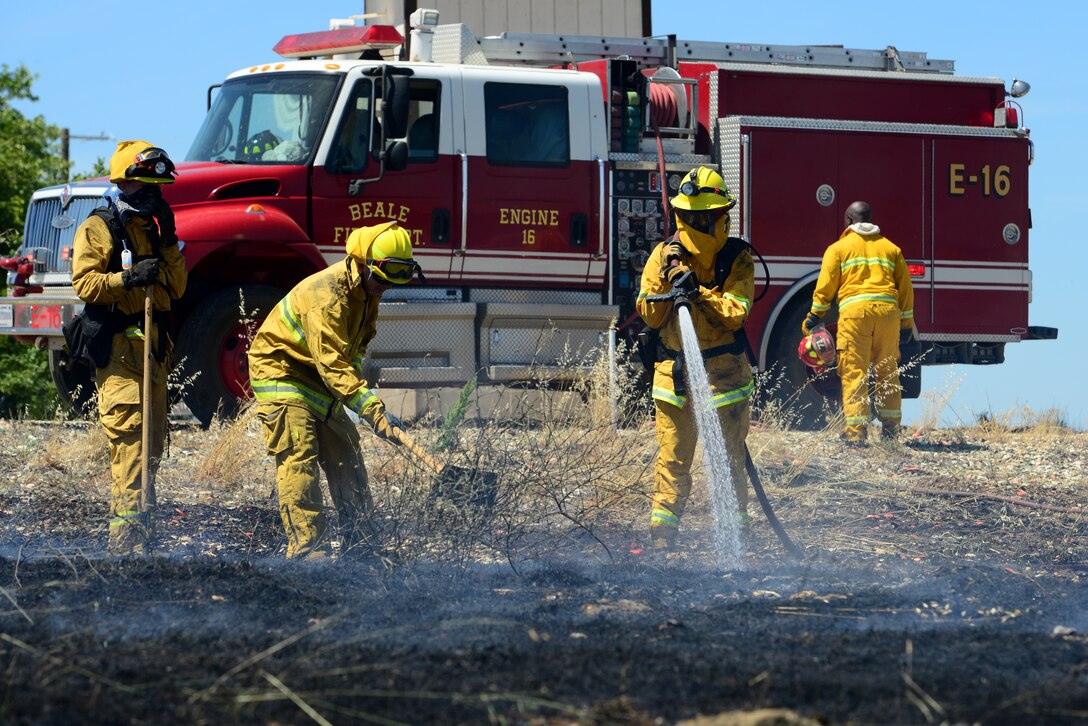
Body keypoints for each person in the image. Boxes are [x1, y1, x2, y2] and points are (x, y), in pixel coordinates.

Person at [247, 221, 423, 559]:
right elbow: (332, 364)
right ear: (363, 264)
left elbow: (351, 355)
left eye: (394, 281)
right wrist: (373, 410)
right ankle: (308, 553)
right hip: (283, 371)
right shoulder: (327, 297)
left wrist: (356, 401)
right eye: (383, 279)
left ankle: (362, 549)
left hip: (320, 376)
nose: (386, 288)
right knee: (300, 455)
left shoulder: (367, 293)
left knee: (347, 453)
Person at [71, 140, 186, 555]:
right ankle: (124, 551)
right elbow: (84, 284)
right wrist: (129, 278)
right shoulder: (99, 227)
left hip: (153, 355)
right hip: (119, 356)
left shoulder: (152, 231)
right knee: (131, 452)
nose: (153, 194)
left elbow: (177, 287)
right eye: (144, 186)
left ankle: (145, 544)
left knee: (151, 452)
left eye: (158, 188)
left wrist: (169, 239)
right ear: (124, 184)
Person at [637, 166, 755, 550]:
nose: (701, 225)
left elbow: (736, 313)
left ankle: (738, 537)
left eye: (707, 217)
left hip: (724, 377)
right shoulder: (663, 255)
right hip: (675, 377)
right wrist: (668, 277)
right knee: (672, 463)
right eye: (694, 218)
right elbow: (650, 313)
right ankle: (662, 539)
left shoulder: (737, 258)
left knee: (731, 461)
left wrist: (698, 291)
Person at [803, 201, 915, 444]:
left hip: (855, 316)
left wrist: (814, 316)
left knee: (855, 371)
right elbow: (905, 290)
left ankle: (856, 434)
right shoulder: (891, 249)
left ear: (848, 221)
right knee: (887, 370)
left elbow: (825, 286)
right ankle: (890, 431)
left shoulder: (838, 249)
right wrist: (906, 323)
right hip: (888, 315)